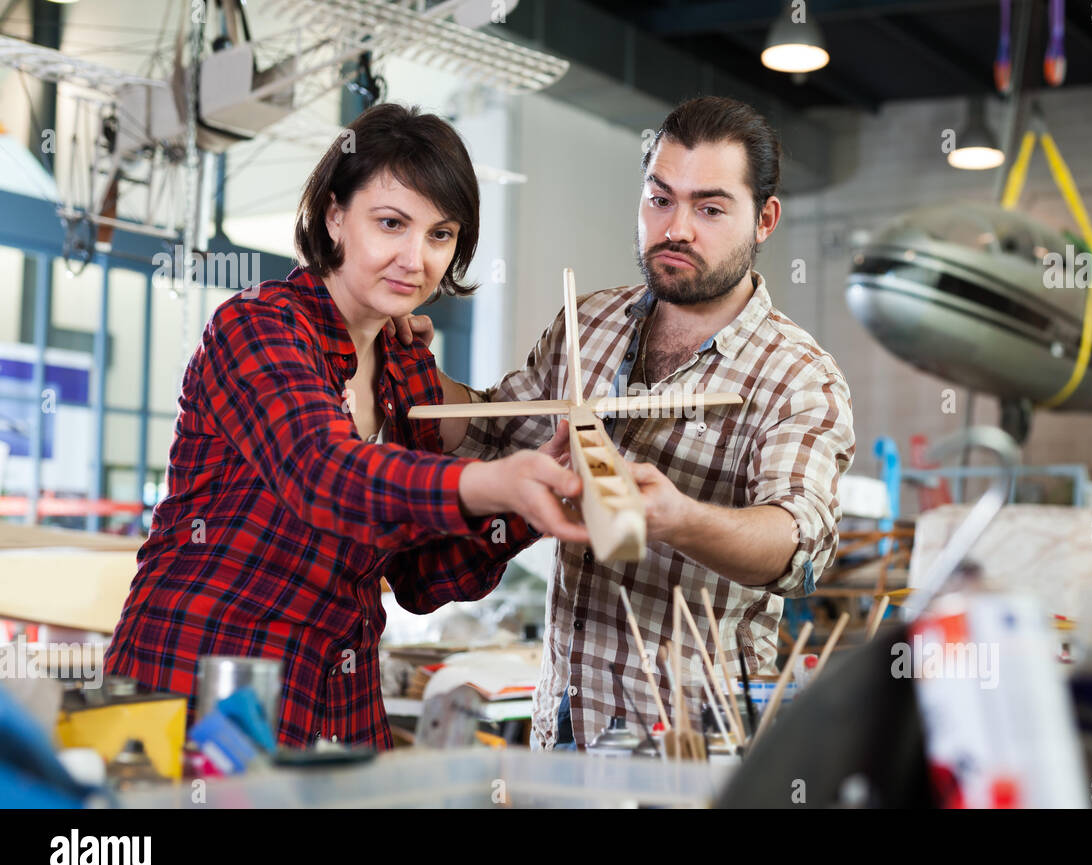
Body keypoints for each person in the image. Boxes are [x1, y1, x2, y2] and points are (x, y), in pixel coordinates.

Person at [104, 103, 588, 750]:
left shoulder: (406, 364)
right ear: (335, 216)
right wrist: (494, 480)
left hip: (335, 702)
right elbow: (326, 476)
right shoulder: (257, 326)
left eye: (440, 234)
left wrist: (539, 502)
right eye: (391, 223)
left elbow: (421, 579)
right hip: (199, 692)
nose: (415, 258)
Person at [393, 96, 855, 749]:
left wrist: (680, 518)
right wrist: (399, 363)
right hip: (564, 732)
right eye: (659, 199)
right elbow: (491, 432)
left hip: (693, 750)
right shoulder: (589, 324)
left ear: (765, 219)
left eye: (711, 208)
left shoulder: (799, 375)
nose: (677, 228)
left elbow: (802, 552)